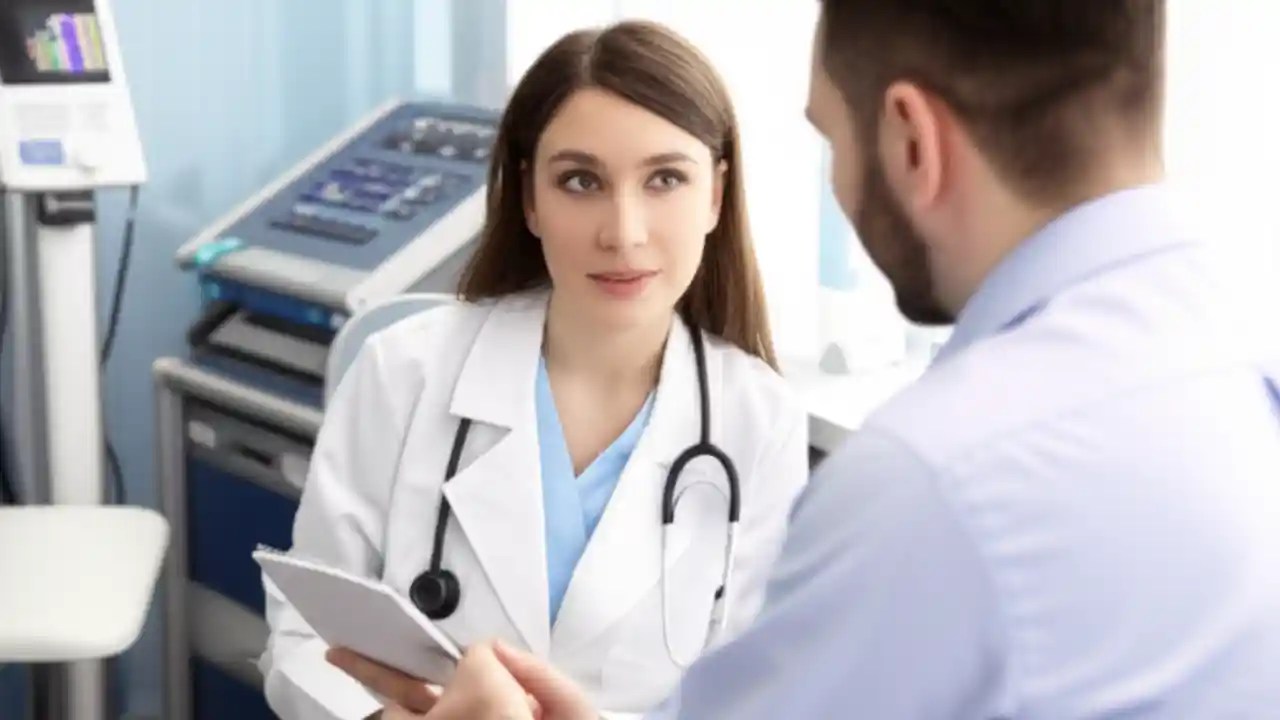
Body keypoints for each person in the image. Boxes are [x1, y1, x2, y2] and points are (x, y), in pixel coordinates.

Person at [342, 1, 1280, 717]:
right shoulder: (1234, 373)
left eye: (832, 134)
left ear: (910, 139)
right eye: (581, 179)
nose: (623, 230)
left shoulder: (931, 475)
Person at [258, 19, 811, 720]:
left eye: (665, 178)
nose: (624, 232)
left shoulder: (758, 420)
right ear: (529, 198)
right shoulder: (404, 371)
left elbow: (757, 699)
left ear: (714, 195)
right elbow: (304, 635)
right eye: (581, 181)